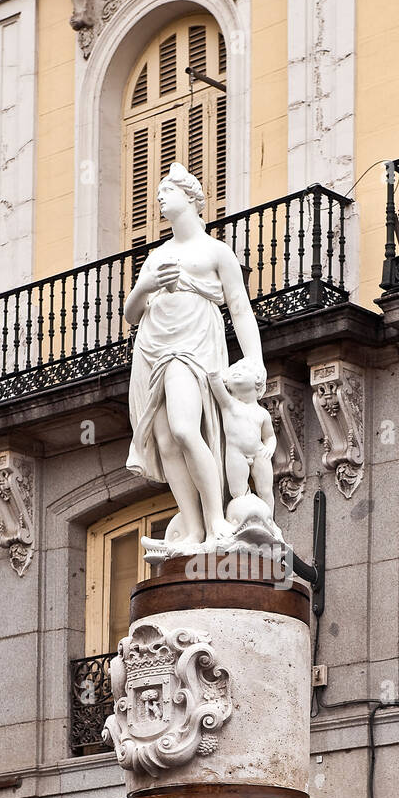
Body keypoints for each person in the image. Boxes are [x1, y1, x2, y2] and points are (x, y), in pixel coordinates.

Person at [124, 162, 266, 547]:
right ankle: (192, 528)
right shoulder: (156, 256)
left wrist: (255, 359)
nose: (158, 197)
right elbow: (131, 313)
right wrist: (147, 285)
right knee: (167, 440)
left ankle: (216, 518)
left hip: (192, 345)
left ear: (189, 197)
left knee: (186, 428)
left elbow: (239, 306)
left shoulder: (216, 251)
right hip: (153, 346)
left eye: (166, 191)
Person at [207, 358, 277, 516]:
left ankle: (269, 521)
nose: (237, 372)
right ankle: (245, 516)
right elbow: (215, 382)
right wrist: (217, 372)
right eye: (233, 372)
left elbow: (270, 436)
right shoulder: (229, 404)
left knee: (265, 490)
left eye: (245, 369)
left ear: (258, 381)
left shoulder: (262, 413)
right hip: (236, 452)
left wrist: (269, 448)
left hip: (259, 453)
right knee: (237, 492)